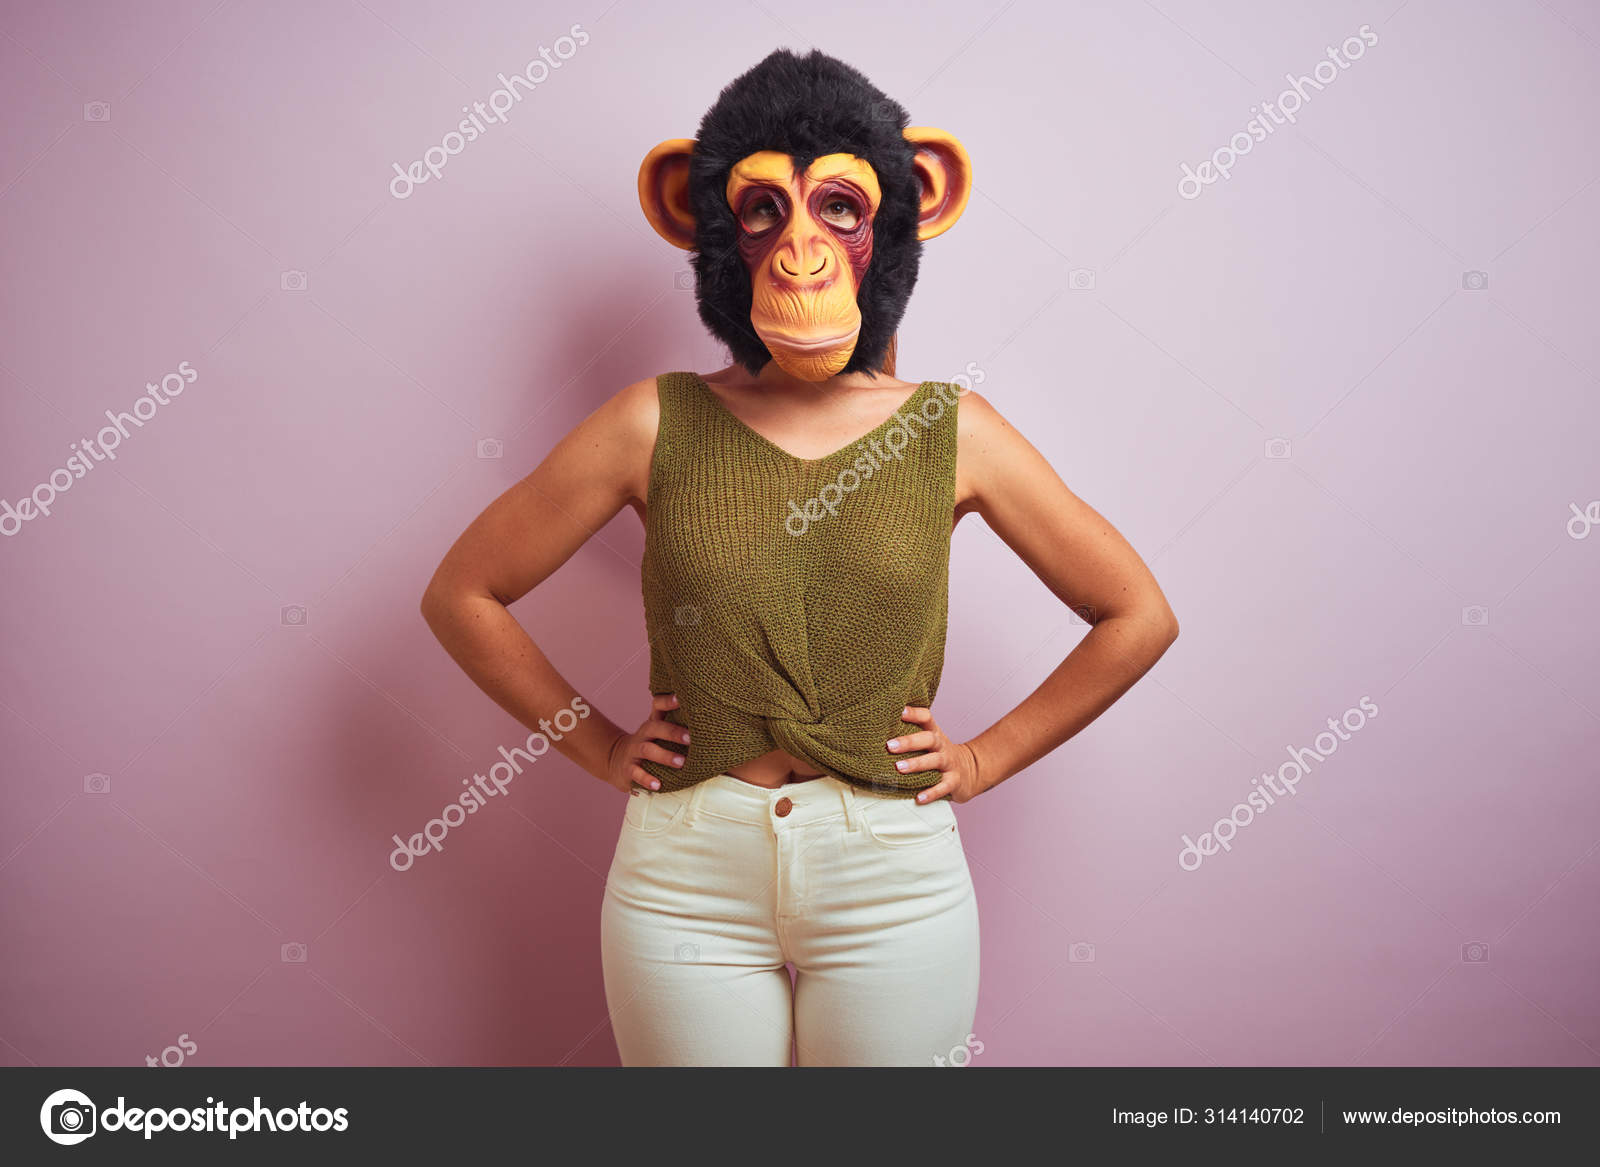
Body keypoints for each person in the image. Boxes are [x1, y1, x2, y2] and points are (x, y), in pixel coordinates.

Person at [421, 49, 1178, 1066]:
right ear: (702, 224)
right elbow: (464, 593)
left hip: (890, 870)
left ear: (909, 208)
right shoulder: (654, 420)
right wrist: (597, 745)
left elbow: (1136, 613)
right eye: (763, 211)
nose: (801, 250)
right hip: (687, 868)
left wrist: (985, 757)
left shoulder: (954, 430)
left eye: (837, 209)